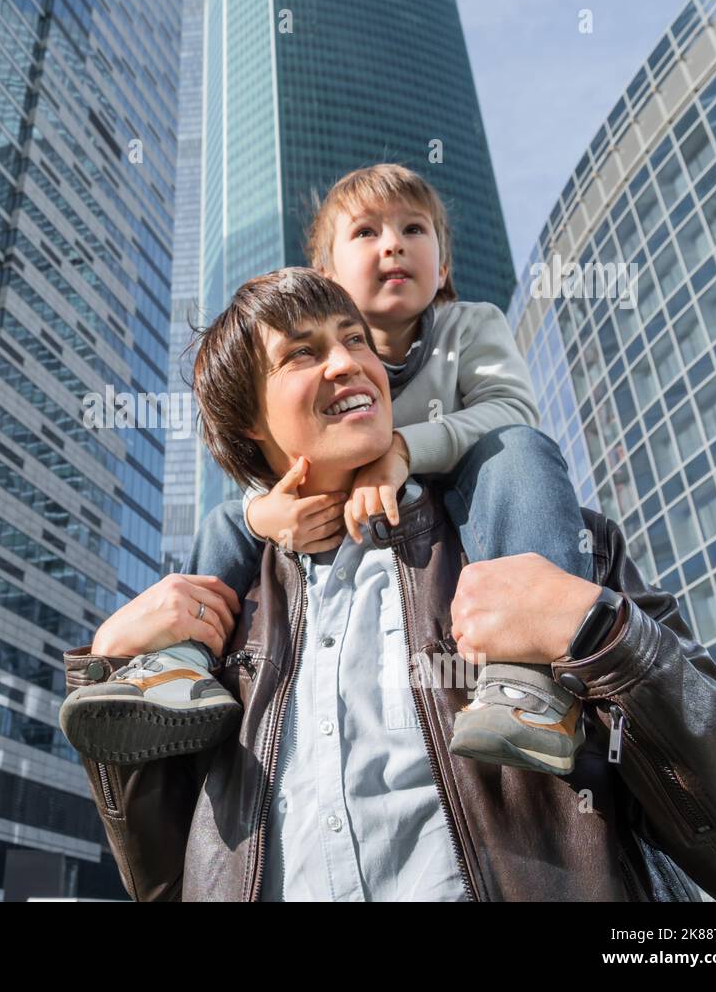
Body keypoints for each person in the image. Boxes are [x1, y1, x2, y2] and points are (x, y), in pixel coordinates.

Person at [58, 267, 716, 901]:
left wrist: (605, 640)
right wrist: (107, 669)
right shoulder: (224, 619)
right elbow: (161, 882)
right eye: (302, 354)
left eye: (355, 340)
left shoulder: (540, 543)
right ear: (250, 422)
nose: (349, 364)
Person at [61, 163, 592, 777]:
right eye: (366, 233)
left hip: (463, 504)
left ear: (443, 268)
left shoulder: (467, 327)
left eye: (414, 229)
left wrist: (400, 451)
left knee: (518, 450)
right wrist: (268, 515)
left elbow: (511, 410)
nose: (393, 243)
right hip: (351, 519)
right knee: (227, 520)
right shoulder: (327, 368)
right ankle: (179, 661)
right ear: (329, 278)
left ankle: (535, 674)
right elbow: (275, 474)